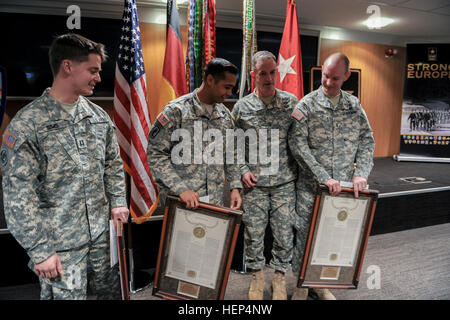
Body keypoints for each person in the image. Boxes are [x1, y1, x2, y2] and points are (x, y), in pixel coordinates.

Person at [1, 33, 129, 300]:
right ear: (67, 66)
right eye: (93, 70)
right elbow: (18, 195)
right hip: (60, 246)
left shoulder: (97, 117)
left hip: (102, 239)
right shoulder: (28, 124)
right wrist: (40, 251)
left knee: (114, 294)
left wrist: (118, 201)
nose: (98, 77)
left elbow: (113, 164)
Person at [288, 53, 375, 300]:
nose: (328, 82)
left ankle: (318, 283)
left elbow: (367, 141)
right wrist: (323, 176)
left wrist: (361, 173)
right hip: (312, 188)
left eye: (335, 78)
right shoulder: (306, 105)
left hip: (344, 189)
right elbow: (297, 146)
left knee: (331, 235)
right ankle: (300, 284)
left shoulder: (354, 106)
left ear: (347, 76)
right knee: (306, 236)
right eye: (325, 76)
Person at [232, 51, 298, 300]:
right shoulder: (242, 107)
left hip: (284, 182)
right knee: (254, 233)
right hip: (255, 185)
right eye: (263, 73)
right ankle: (257, 277)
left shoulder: (291, 103)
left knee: (283, 233)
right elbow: (233, 145)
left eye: (272, 72)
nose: (269, 78)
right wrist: (242, 171)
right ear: (253, 75)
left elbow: (300, 141)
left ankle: (279, 277)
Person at [147, 58, 242, 210]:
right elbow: (156, 154)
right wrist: (181, 189)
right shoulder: (176, 111)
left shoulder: (224, 115)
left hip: (214, 203)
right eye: (227, 87)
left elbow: (231, 154)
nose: (230, 93)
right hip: (183, 202)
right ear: (210, 80)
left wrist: (235, 187)